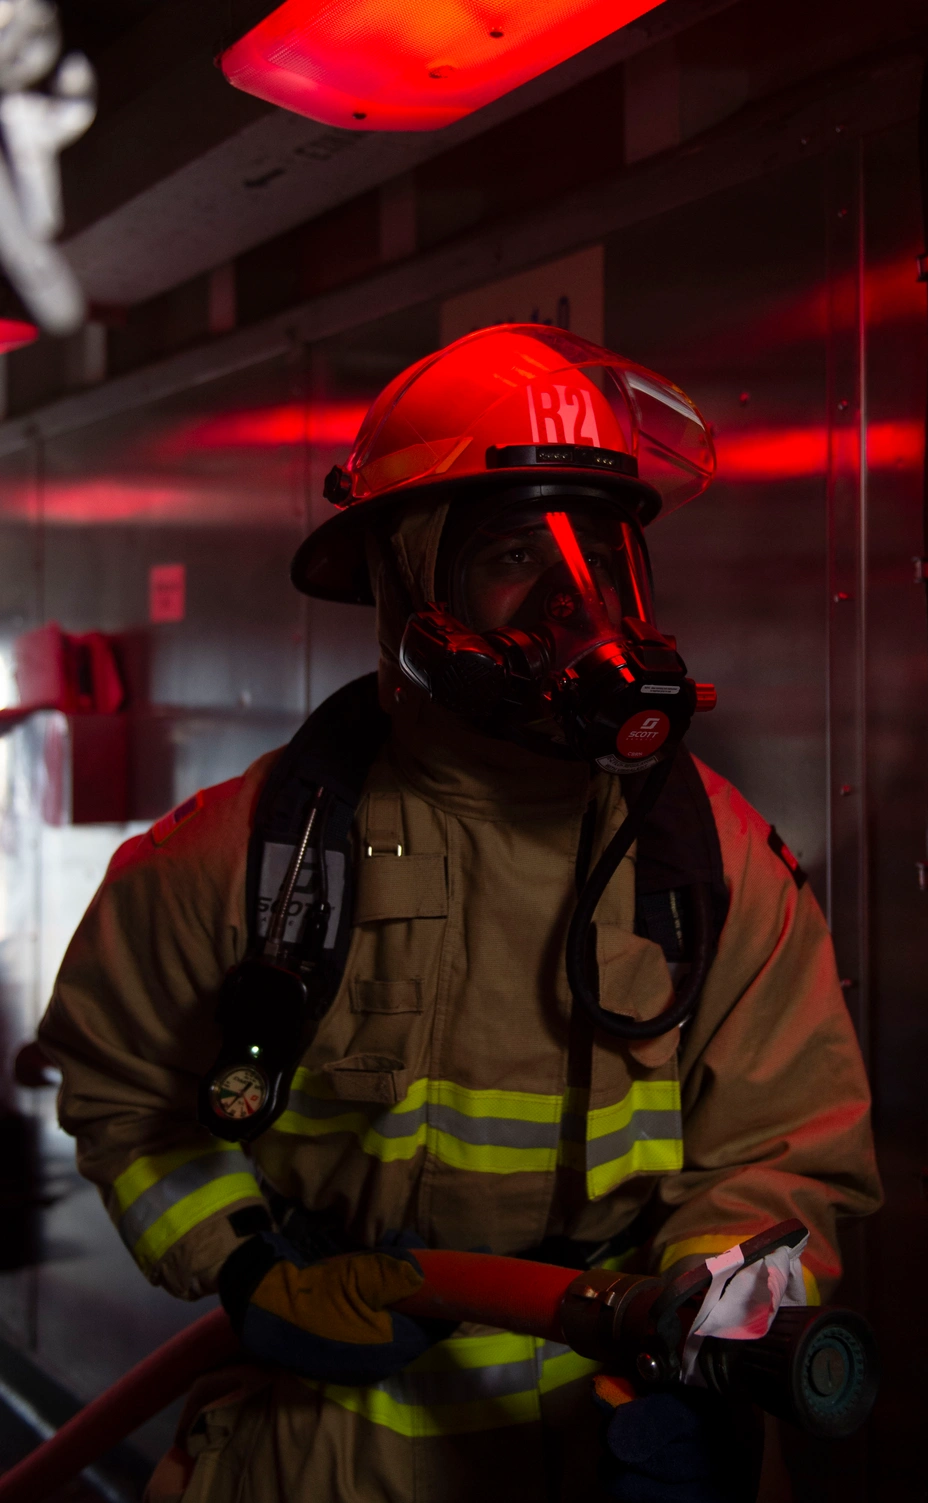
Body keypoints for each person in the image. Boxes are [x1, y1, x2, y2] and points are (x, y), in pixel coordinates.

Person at [39, 326, 881, 1503]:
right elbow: (121, 1092)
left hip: (596, 1436)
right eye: (509, 556)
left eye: (600, 556)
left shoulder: (713, 867)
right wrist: (246, 1269)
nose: (571, 606)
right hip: (315, 1455)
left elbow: (790, 1154)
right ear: (410, 586)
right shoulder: (240, 861)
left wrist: (713, 1332)